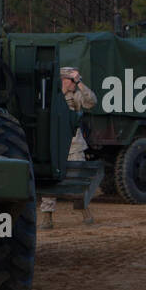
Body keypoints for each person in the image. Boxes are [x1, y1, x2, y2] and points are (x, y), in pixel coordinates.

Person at [40, 67, 97, 229]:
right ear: (64, 80)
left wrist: (79, 82)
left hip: (74, 145)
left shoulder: (77, 96)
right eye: (73, 80)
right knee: (49, 181)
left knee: (78, 180)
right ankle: (47, 217)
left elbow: (92, 101)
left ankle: (85, 211)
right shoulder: (51, 97)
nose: (75, 83)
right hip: (54, 145)